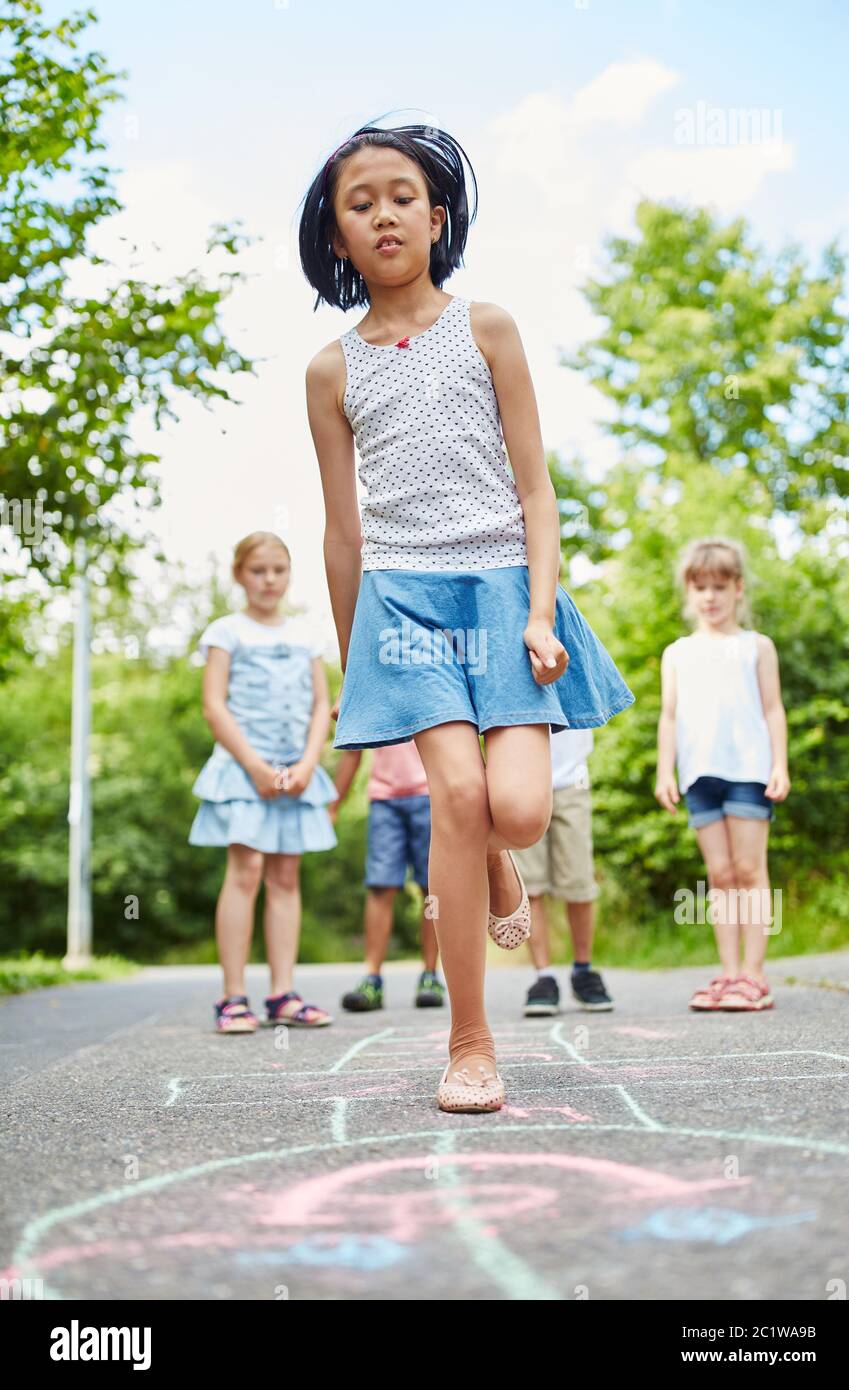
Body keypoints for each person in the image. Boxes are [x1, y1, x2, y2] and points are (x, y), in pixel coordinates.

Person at [300, 121, 634, 1112]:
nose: (383, 213)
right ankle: (470, 1042)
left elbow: (536, 491)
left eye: (400, 194)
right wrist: (361, 652)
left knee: (516, 809)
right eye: (359, 204)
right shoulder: (329, 372)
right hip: (402, 602)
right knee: (453, 794)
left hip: (500, 591)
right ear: (336, 239)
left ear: (436, 217)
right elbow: (341, 535)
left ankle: (496, 857)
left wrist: (539, 612)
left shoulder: (487, 328)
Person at [189, 531, 338, 1033]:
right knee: (246, 870)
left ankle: (282, 994)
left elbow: (322, 704)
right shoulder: (226, 632)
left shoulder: (305, 635)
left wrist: (307, 762)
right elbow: (214, 705)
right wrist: (253, 765)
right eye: (258, 570)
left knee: (285, 876)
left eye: (278, 569)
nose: (269, 579)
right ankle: (232, 997)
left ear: (289, 574)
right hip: (243, 770)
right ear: (239, 575)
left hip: (295, 770)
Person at [655, 537, 791, 1012]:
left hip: (749, 771)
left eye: (719, 586)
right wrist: (664, 770)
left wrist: (780, 764)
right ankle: (729, 973)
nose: (709, 596)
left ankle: (755, 976)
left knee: (751, 871)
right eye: (700, 587)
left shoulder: (757, 647)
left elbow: (773, 709)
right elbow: (669, 716)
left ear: (738, 589)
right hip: (699, 774)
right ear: (689, 593)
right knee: (720, 874)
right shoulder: (677, 653)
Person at [328, 717, 445, 1011]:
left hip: (430, 795)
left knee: (432, 888)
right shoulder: (375, 679)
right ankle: (372, 978)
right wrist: (333, 805)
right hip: (385, 799)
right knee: (380, 887)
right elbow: (353, 749)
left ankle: (430, 975)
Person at [514, 728, 614, 1016]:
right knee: (530, 885)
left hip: (572, 779)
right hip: (521, 779)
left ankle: (583, 971)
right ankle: (543, 976)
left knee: (579, 882)